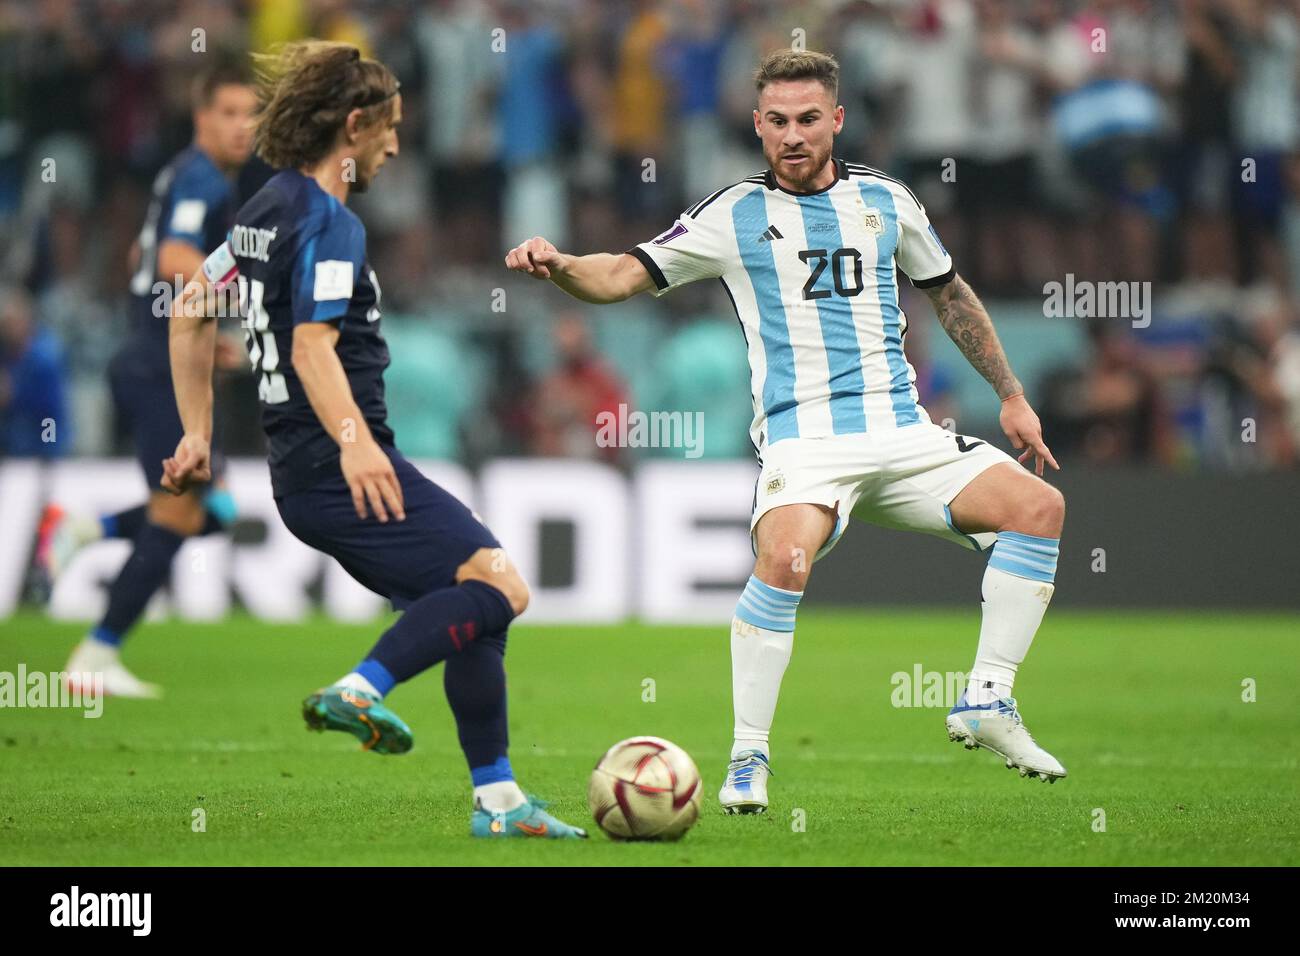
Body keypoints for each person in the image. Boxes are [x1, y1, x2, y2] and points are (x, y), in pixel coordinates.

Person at [505, 49, 1068, 814]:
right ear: (758, 126)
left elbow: (948, 291)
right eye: (778, 122)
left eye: (809, 119)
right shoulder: (731, 215)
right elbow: (621, 276)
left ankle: (987, 700)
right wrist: (562, 263)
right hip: (805, 445)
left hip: (904, 433)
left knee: (1038, 508)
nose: (793, 135)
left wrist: (1010, 394)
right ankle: (747, 760)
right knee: (785, 557)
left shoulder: (886, 201)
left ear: (836, 120)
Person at [164, 40, 585, 839]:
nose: (395, 146)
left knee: (469, 599)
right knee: (503, 587)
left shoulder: (263, 209)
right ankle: (361, 690)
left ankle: (498, 802)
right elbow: (313, 346)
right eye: (390, 129)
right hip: (340, 464)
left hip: (302, 471)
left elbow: (189, 307)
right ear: (354, 126)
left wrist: (196, 436)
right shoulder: (330, 220)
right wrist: (357, 443)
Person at [48, 61, 255, 698]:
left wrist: (206, 331)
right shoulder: (200, 178)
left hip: (157, 356)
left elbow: (144, 256)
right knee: (178, 514)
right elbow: (171, 258)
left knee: (213, 512)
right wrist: (246, 290)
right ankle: (95, 653)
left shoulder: (181, 175)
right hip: (156, 367)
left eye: (252, 114)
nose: (242, 126)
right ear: (201, 117)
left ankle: (91, 529)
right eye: (228, 112)